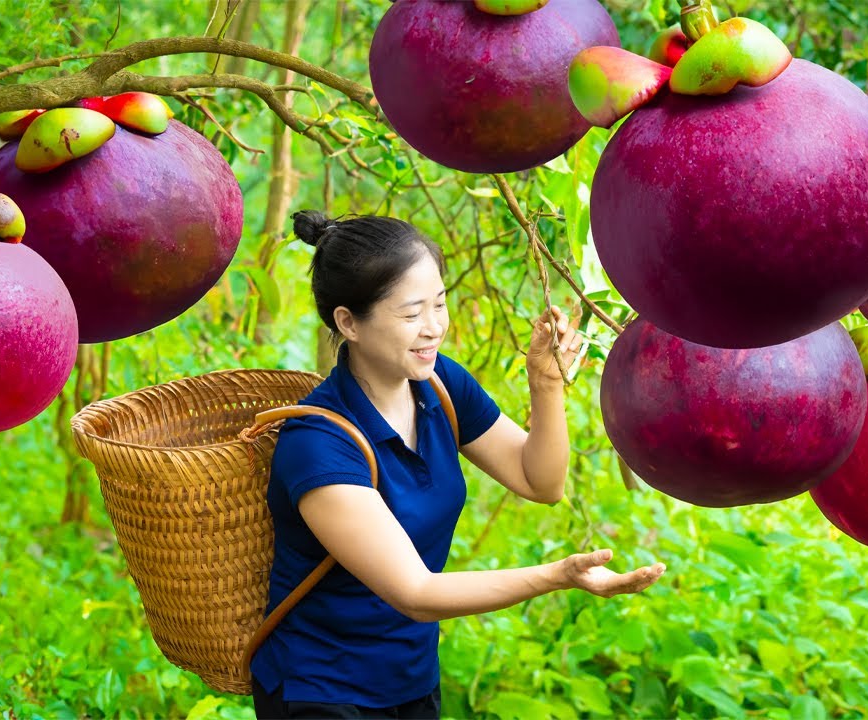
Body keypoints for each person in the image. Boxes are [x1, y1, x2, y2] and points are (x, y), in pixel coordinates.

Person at [249, 210, 666, 719]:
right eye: (411, 314)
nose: (434, 328)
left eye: (440, 304)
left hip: (411, 678)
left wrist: (546, 384)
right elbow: (415, 592)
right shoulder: (318, 443)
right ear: (347, 322)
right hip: (320, 689)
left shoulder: (438, 386)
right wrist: (558, 575)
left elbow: (541, 481)